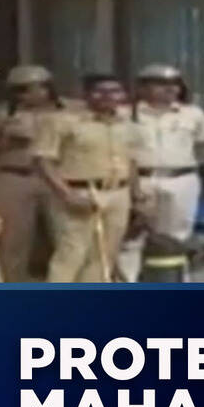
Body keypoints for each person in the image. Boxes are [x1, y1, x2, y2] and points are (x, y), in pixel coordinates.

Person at [32, 74, 143, 283]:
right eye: (100, 91)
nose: (107, 96)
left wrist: (138, 197)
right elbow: (43, 161)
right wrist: (67, 194)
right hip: (78, 192)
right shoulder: (61, 121)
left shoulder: (127, 125)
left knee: (105, 255)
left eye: (115, 91)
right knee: (71, 254)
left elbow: (132, 163)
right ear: (85, 95)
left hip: (118, 194)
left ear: (123, 96)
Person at [117, 64, 204, 282]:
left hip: (181, 178)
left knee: (177, 236)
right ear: (143, 88)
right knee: (133, 236)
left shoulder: (193, 114)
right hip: (140, 179)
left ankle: (177, 280)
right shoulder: (125, 114)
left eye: (174, 84)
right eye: (160, 84)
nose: (169, 89)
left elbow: (202, 148)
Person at [0, 65, 73, 282]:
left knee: (69, 240)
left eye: (29, 89)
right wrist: (7, 138)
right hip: (15, 177)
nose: (24, 95)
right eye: (18, 90)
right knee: (12, 242)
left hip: (58, 179)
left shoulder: (70, 111)